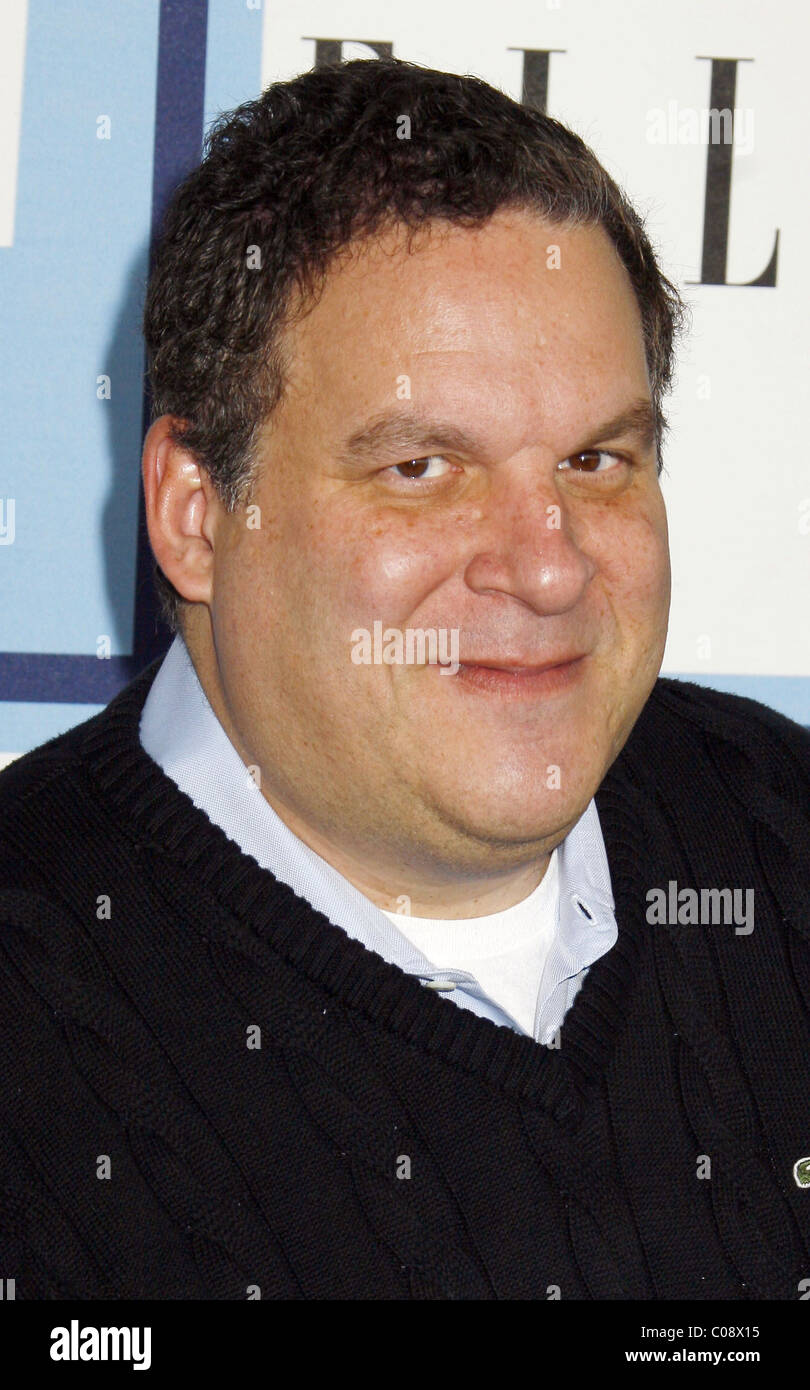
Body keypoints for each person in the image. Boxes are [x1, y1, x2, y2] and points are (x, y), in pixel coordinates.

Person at [1, 56, 809, 1302]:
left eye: (598, 459)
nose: (547, 568)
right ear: (196, 513)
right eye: (424, 469)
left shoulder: (780, 824)